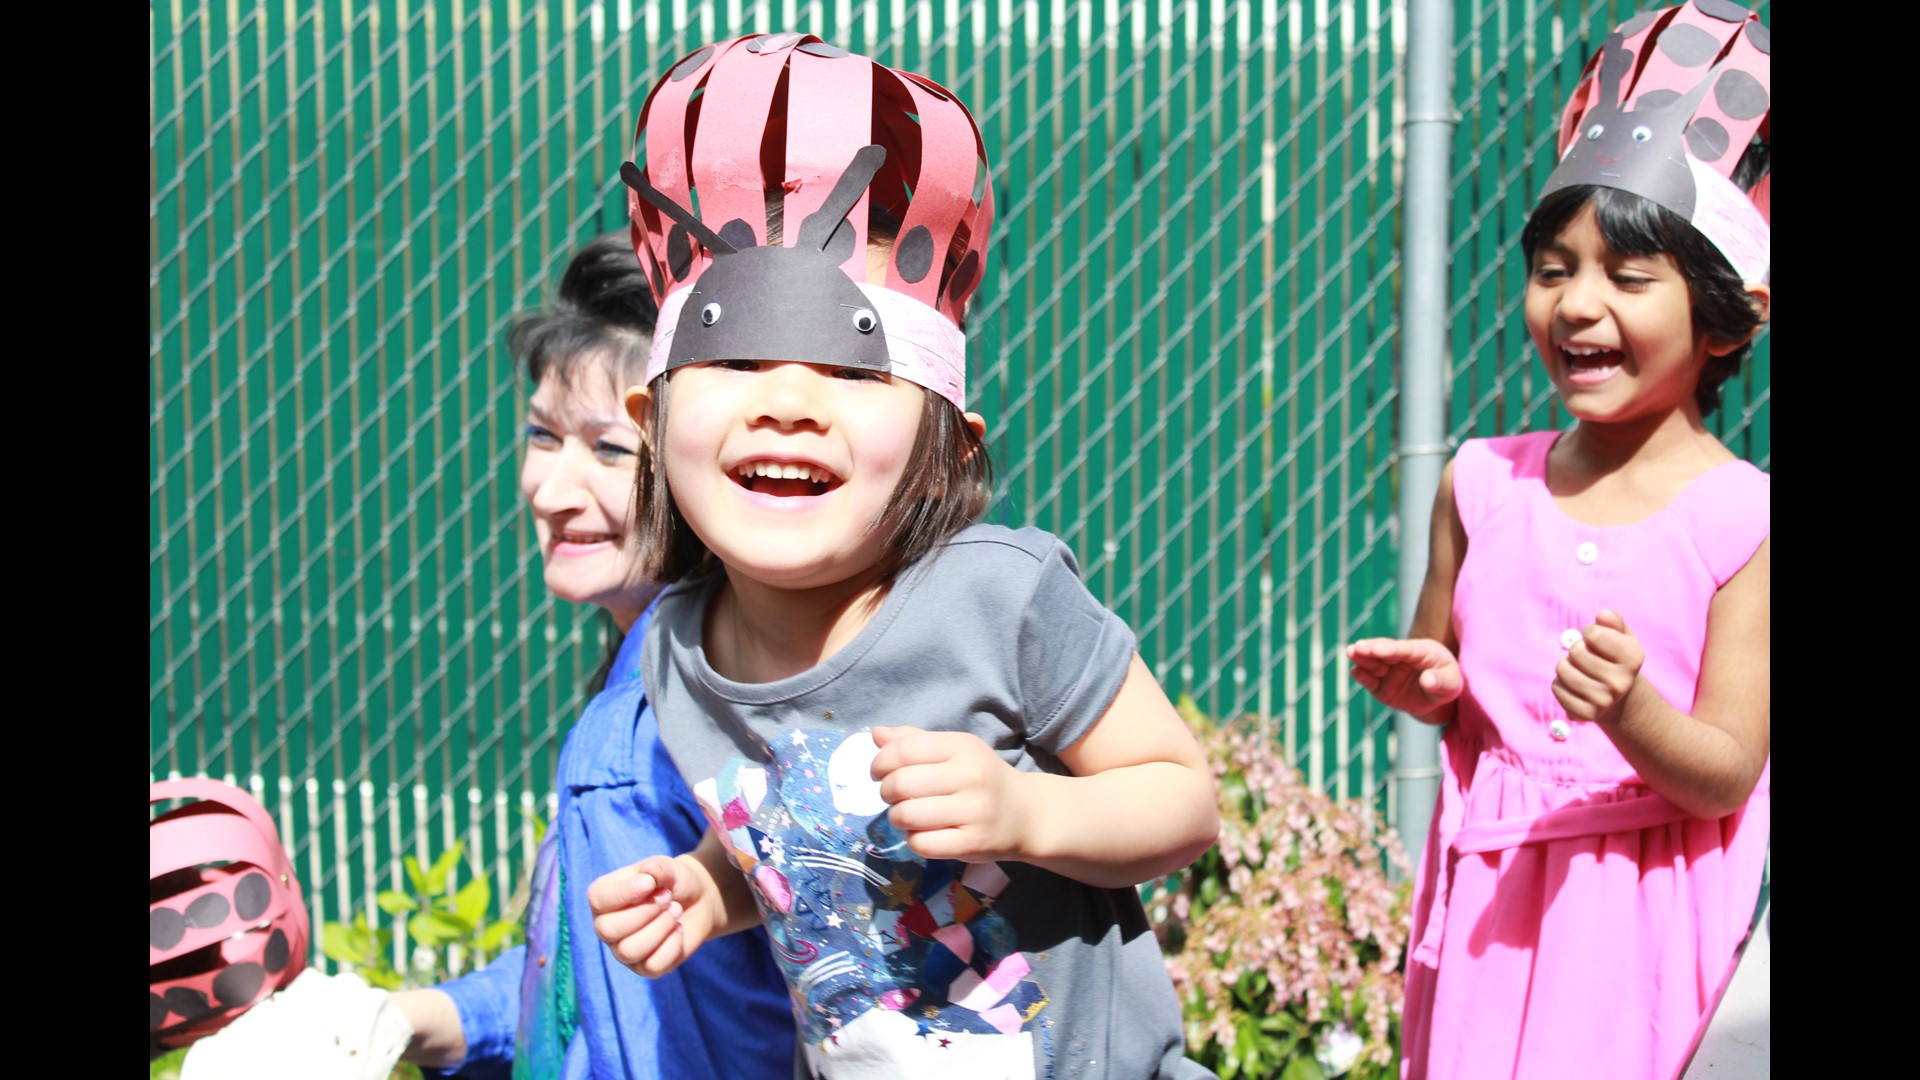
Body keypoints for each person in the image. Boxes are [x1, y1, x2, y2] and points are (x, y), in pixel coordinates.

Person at [585, 33, 1222, 1079]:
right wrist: (714, 888)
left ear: (946, 447)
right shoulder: (677, 652)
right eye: (738, 359)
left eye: (849, 369)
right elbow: (794, 841)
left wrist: (1029, 811)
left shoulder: (997, 597)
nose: (787, 403)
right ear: (651, 421)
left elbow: (1181, 801)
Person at [185, 235, 796, 1080]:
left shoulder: (676, 716)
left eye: (610, 450)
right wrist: (397, 1020)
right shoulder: (648, 672)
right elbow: (591, 984)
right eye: (543, 437)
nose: (548, 489)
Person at [1346, 4, 1771, 1077]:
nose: (1577, 304)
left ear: (1722, 320)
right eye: (1552, 268)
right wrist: (1427, 681)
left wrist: (1630, 711)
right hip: (1487, 915)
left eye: (1628, 278)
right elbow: (1449, 666)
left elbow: (1723, 773)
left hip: (1641, 932)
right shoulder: (1482, 483)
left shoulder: (1744, 520)